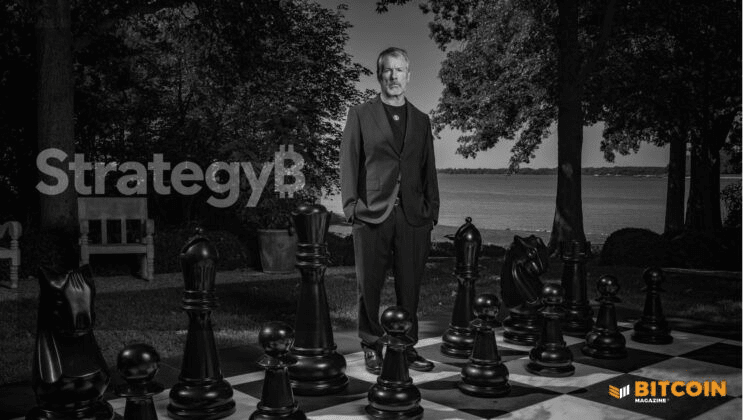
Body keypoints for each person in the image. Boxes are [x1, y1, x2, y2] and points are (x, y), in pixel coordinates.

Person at [340, 47, 440, 374]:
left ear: (409, 76)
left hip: (413, 217)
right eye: (388, 70)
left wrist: (432, 212)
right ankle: (371, 345)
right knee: (368, 286)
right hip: (371, 214)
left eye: (400, 70)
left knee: (409, 287)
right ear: (379, 75)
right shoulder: (360, 114)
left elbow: (428, 169)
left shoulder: (422, 120)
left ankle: (405, 346)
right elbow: (349, 162)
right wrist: (351, 207)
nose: (394, 76)